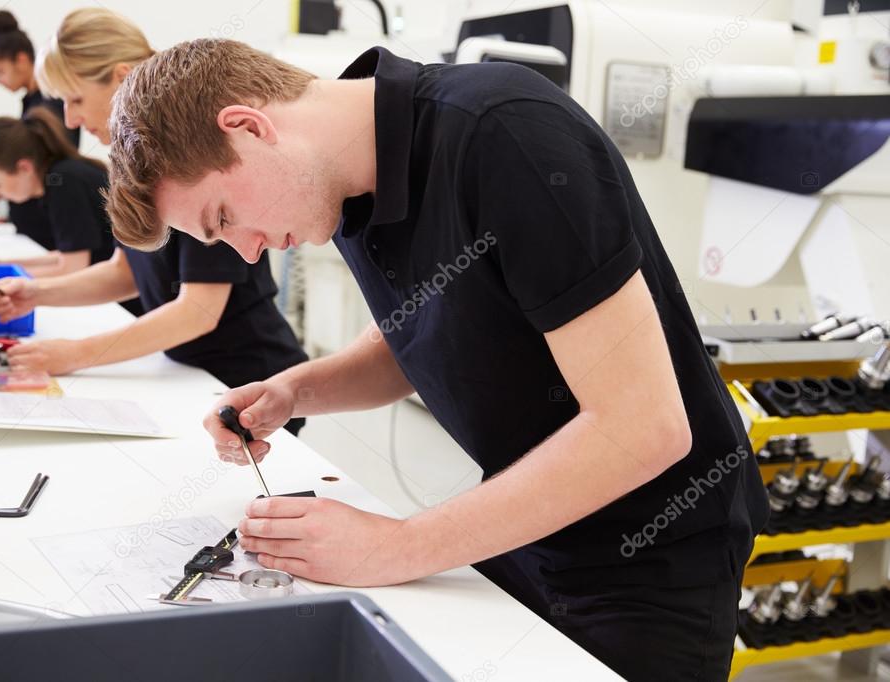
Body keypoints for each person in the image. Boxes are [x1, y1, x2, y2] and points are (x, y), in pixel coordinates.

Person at [105, 39, 770, 681]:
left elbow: (643, 429)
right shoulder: (341, 186)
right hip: (523, 520)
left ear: (248, 128)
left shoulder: (502, 134)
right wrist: (294, 391)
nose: (247, 253)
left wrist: (397, 546)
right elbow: (417, 338)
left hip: (649, 553)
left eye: (223, 217)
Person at [0, 9, 308, 434]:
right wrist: (36, 293)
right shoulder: (128, 160)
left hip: (248, 380)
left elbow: (199, 311)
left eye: (75, 99)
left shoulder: (191, 154)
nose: (70, 120)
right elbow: (127, 271)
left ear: (121, 77)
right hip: (187, 374)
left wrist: (73, 354)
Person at [0, 10, 78, 251]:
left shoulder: (52, 104)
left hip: (51, 236)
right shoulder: (30, 102)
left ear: (22, 59)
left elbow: (44, 170)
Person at [0, 108, 114, 278]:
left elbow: (73, 269)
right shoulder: (59, 176)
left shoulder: (65, 182)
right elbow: (67, 256)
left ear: (24, 168)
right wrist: (0, 266)